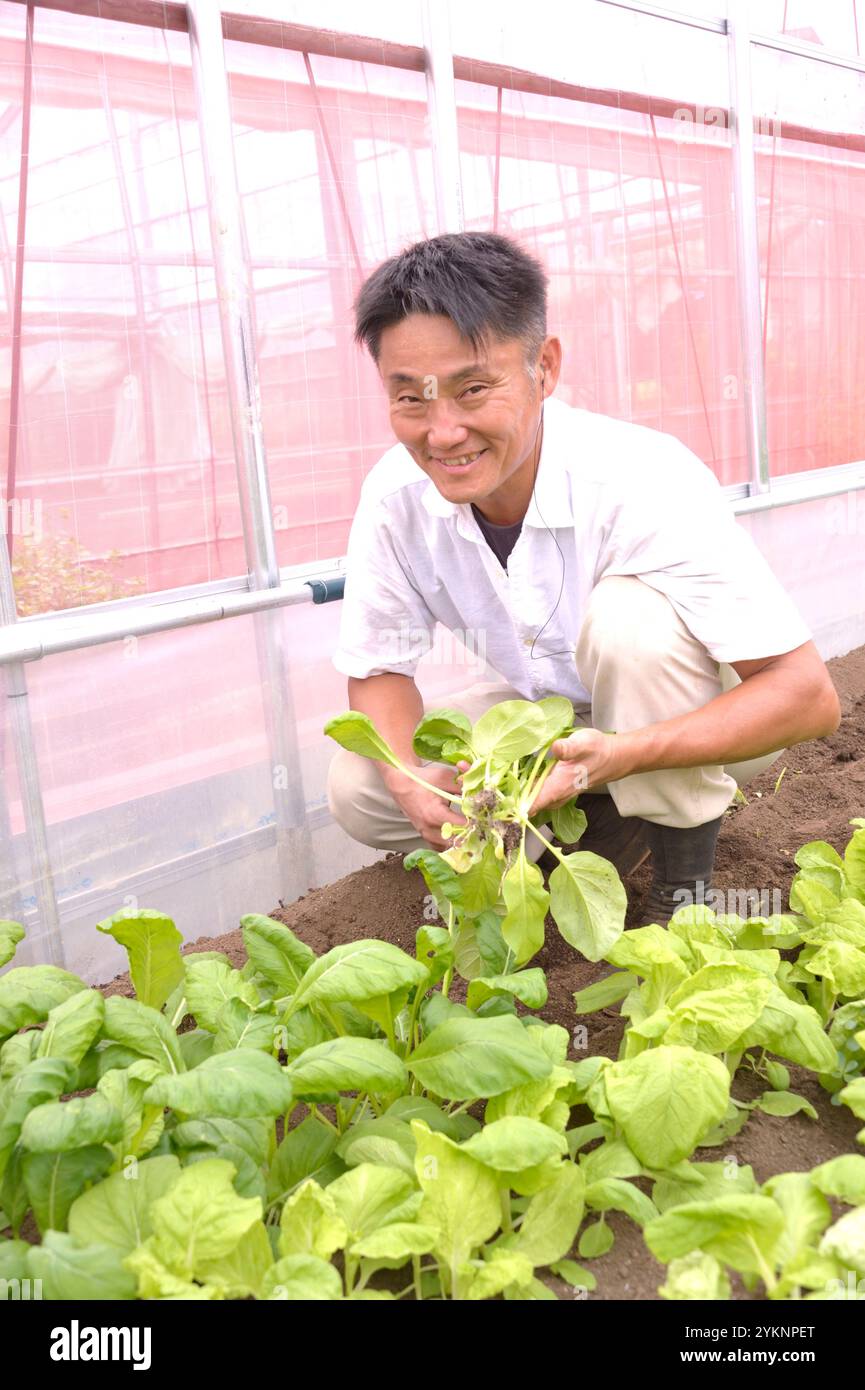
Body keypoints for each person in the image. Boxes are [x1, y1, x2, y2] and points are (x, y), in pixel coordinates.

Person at [326, 232, 841, 924]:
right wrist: (412, 783)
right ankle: (586, 824)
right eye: (410, 400)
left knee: (631, 626)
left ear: (543, 368)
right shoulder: (394, 499)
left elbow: (807, 697)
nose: (442, 433)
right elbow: (378, 670)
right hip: (547, 724)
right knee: (358, 783)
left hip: (680, 713)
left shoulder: (639, 478)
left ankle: (678, 895)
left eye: (472, 389)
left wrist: (624, 755)